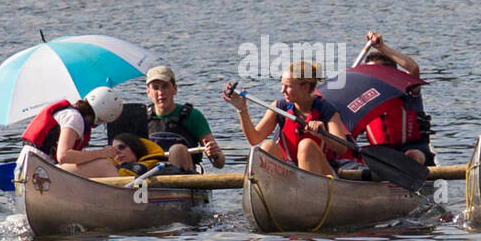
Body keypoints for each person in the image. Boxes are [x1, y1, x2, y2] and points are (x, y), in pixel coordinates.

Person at [222, 61, 354, 177]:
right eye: (282, 85)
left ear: (305, 87)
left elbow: (342, 148)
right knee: (267, 147)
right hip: (291, 172)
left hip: (322, 174)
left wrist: (323, 135)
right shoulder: (280, 107)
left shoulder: (326, 109)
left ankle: (306, 196)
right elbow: (254, 139)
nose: (282, 90)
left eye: (288, 86)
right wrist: (241, 109)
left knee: (306, 146)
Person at [355, 30, 435, 165]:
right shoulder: (363, 100)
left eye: (377, 72)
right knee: (360, 157)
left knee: (411, 155)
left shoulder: (407, 92)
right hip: (381, 153)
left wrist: (382, 47)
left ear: (391, 73)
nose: (373, 77)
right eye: (369, 73)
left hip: (414, 150)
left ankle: (409, 181)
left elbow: (413, 69)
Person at [18, 86, 124, 178]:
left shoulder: (70, 114)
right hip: (38, 170)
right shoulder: (74, 118)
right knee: (105, 166)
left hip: (31, 167)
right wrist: (101, 153)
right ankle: (121, 198)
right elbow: (64, 156)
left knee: (97, 163)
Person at [144, 66, 224, 172]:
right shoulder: (142, 118)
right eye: (155, 87)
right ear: (148, 92)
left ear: (174, 89)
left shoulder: (193, 116)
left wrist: (214, 154)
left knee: (177, 150)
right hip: (149, 177)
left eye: (165, 86)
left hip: (183, 177)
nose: (160, 92)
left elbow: (219, 164)